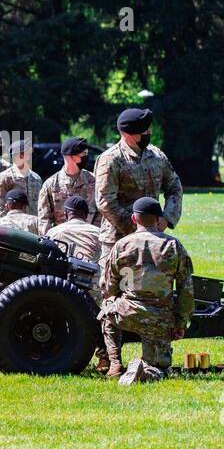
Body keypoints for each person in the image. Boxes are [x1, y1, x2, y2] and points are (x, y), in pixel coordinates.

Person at [98, 197, 195, 384]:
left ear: (134, 219)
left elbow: (108, 287)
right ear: (158, 219)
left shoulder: (121, 245)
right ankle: (147, 368)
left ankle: (115, 363)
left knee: (106, 308)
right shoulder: (174, 246)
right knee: (160, 368)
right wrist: (180, 323)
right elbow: (186, 291)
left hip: (127, 314)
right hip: (160, 320)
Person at [94, 107, 183, 262]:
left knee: (153, 284)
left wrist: (167, 218)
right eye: (143, 131)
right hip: (118, 241)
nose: (148, 133)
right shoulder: (110, 160)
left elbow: (174, 186)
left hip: (155, 239)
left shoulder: (157, 155)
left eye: (148, 129)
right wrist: (139, 227)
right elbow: (106, 202)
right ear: (127, 134)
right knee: (115, 285)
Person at [46, 195, 109, 374]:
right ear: (86, 214)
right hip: (94, 287)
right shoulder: (98, 232)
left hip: (65, 288)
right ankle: (105, 357)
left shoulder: (54, 232)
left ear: (66, 214)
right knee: (103, 318)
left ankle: (57, 351)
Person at [38, 137, 98, 233]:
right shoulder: (51, 184)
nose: (86, 157)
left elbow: (101, 213)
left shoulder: (94, 181)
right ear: (70, 157)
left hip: (89, 240)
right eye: (83, 154)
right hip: (62, 240)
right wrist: (48, 243)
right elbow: (44, 219)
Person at [0, 138, 42, 217]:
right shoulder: (4, 178)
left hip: (32, 226)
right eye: (24, 154)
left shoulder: (36, 178)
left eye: (29, 153)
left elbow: (40, 207)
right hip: (11, 227)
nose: (28, 156)